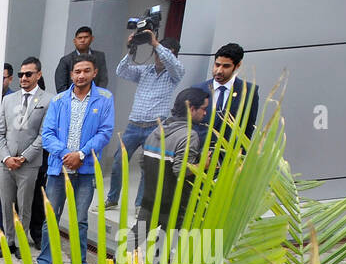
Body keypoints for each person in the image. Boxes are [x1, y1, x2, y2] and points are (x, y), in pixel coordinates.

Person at [34, 55, 114, 264]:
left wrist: (81, 154)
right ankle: (45, 260)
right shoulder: (59, 100)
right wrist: (66, 154)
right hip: (58, 168)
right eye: (77, 71)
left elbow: (105, 132)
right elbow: (47, 134)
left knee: (80, 220)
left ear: (94, 73)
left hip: (85, 169)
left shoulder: (105, 98)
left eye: (86, 71)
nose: (81, 75)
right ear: (71, 75)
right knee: (51, 216)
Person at [104, 34, 185, 209]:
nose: (160, 56)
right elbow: (121, 71)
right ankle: (112, 199)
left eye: (165, 53)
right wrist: (132, 49)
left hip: (156, 127)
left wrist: (156, 43)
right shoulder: (144, 71)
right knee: (119, 161)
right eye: (157, 52)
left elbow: (172, 63)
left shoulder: (174, 74)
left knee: (147, 167)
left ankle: (140, 203)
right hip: (134, 125)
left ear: (173, 55)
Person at [0, 58, 51, 255]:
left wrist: (24, 157)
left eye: (28, 74)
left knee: (25, 205)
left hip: (28, 164)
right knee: (6, 204)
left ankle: (21, 243)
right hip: (5, 163)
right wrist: (6, 158)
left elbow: (44, 134)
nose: (24, 78)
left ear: (39, 75)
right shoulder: (7, 99)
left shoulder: (47, 100)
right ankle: (9, 242)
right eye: (21, 74)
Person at [137, 87, 209, 234]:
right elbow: (180, 170)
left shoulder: (158, 129)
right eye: (203, 108)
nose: (205, 113)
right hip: (172, 207)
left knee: (132, 243)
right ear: (192, 109)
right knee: (163, 252)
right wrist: (203, 165)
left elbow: (142, 161)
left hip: (149, 200)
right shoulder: (189, 135)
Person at [195, 42, 259, 151]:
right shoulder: (198, 89)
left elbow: (247, 129)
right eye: (217, 64)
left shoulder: (248, 91)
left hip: (228, 158)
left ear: (237, 66)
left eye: (226, 66)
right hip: (198, 156)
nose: (219, 70)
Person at [54, 25, 109, 92]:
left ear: (92, 39)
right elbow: (61, 85)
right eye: (80, 38)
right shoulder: (66, 60)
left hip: (95, 98)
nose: (82, 40)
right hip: (72, 99)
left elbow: (103, 79)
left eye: (86, 37)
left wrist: (97, 96)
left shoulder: (99, 56)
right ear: (74, 41)